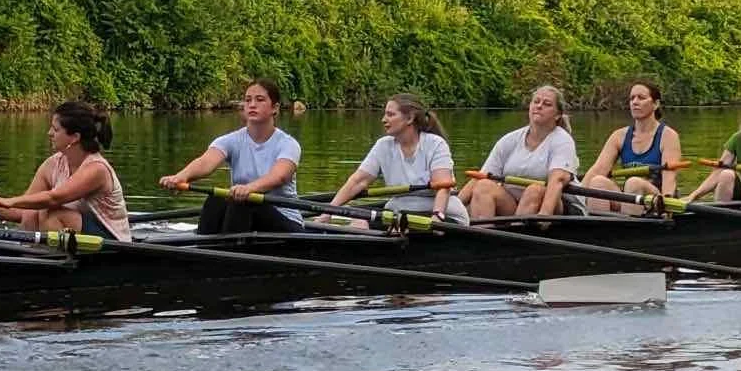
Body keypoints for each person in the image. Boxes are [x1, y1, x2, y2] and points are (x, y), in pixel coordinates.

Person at [0, 101, 132, 240]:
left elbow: (54, 198)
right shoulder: (53, 164)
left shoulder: (97, 169)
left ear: (74, 137)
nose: (49, 133)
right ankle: (31, 257)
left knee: (52, 213)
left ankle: (48, 262)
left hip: (112, 240)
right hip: (74, 233)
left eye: (55, 129)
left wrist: (9, 201)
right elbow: (24, 210)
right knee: (33, 213)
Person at [156, 79, 304, 233]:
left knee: (242, 202)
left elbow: (278, 176)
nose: (252, 104)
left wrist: (249, 189)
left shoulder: (288, 144)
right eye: (248, 100)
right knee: (217, 198)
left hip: (286, 222)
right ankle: (203, 244)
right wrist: (181, 176)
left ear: (275, 108)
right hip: (245, 213)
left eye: (259, 100)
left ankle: (225, 251)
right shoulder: (232, 140)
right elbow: (206, 162)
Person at [329, 93, 469, 226]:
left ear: (409, 118)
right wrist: (327, 212)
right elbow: (357, 182)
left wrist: (437, 217)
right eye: (385, 114)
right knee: (358, 224)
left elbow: (442, 186)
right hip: (399, 213)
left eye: (390, 115)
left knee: (400, 227)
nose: (383, 119)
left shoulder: (435, 144)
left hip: (443, 215)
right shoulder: (383, 145)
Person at [460, 85, 580, 220]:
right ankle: (484, 234)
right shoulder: (510, 139)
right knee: (483, 186)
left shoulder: (562, 140)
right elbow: (482, 176)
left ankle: (515, 234)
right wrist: (453, 206)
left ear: (557, 115)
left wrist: (544, 215)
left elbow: (557, 180)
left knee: (534, 190)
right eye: (536, 102)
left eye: (547, 104)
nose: (539, 106)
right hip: (513, 205)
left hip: (554, 206)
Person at [583, 78, 681, 214]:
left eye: (641, 98)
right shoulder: (619, 136)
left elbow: (669, 178)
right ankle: (598, 230)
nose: (635, 102)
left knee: (634, 182)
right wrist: (576, 196)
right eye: (632, 98)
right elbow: (598, 169)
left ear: (655, 104)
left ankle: (629, 231)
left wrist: (666, 203)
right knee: (597, 181)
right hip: (631, 198)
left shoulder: (668, 136)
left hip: (656, 199)